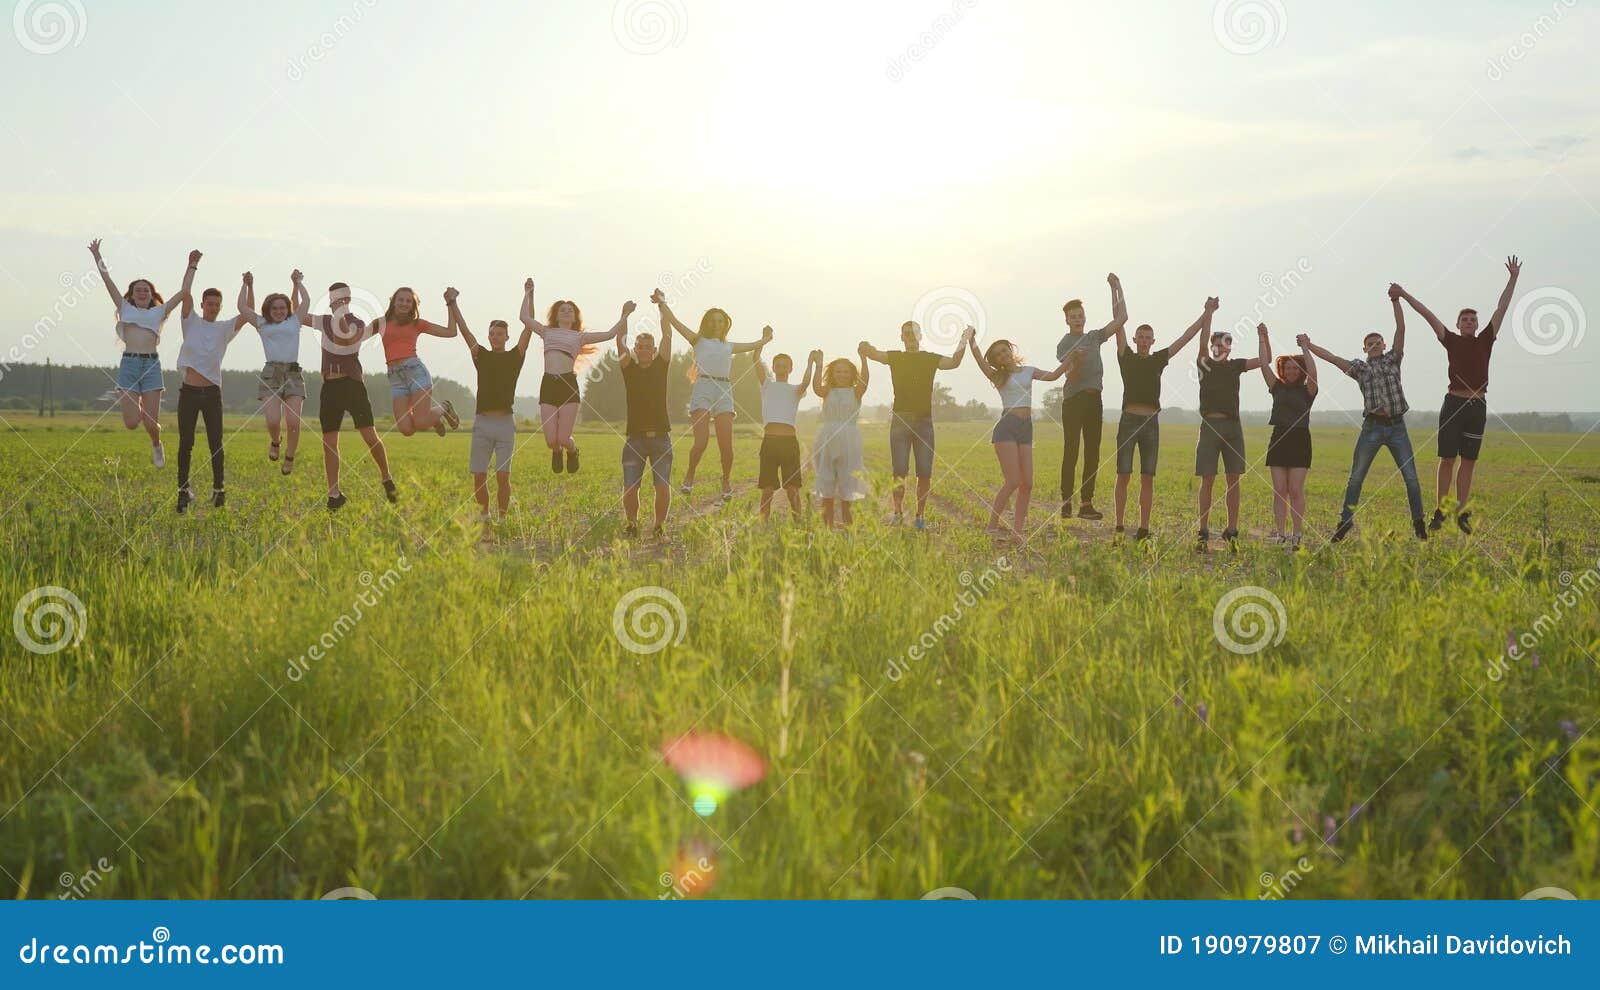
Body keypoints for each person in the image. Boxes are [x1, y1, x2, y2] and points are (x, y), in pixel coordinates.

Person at [1392, 256, 1521, 534]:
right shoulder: (1449, 339)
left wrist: (1513, 278)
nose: (1469, 322)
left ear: (1477, 324)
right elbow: (1427, 314)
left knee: (1469, 462)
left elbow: (1502, 307)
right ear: (1458, 323)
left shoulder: (1487, 338)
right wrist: (1403, 295)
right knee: (1447, 459)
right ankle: (1440, 510)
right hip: (1453, 404)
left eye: (1473, 319)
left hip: (1478, 406)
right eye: (1465, 319)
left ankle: (1462, 512)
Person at [1303, 287, 1426, 542]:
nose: (1374, 346)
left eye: (1377, 342)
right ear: (1364, 348)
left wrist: (1396, 300)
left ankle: (1419, 523)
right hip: (1372, 427)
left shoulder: (1393, 359)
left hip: (1397, 427)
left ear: (1384, 345)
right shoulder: (1360, 369)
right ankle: (1345, 522)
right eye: (1369, 344)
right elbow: (1334, 359)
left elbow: (1401, 330)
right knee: (1356, 477)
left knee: (1411, 477)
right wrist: (1308, 345)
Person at [1112, 298, 1217, 541]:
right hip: (1128, 421)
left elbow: (1186, 336)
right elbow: (1118, 324)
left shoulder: (1159, 359)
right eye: (1141, 337)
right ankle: (1118, 525)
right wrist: (1115, 289)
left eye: (1149, 338)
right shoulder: (1125, 355)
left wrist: (1207, 312)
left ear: (1153, 341)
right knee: (1123, 475)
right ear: (1135, 340)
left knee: (1147, 477)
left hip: (1151, 424)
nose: (1144, 341)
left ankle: (1143, 528)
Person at [656, 297, 773, 503]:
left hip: (724, 390)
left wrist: (765, 338)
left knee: (726, 446)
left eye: (720, 321)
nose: (717, 324)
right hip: (703, 388)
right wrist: (662, 302)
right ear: (707, 323)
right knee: (701, 442)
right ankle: (690, 475)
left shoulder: (729, 346)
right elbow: (674, 321)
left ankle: (726, 481)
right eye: (713, 320)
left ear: (725, 324)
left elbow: (754, 345)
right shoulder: (698, 340)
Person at [295, 278, 396, 510]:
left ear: (348, 300)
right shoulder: (325, 321)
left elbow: (347, 339)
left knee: (369, 436)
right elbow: (297, 315)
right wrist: (296, 286)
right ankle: (334, 494)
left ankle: (386, 477)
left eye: (342, 298)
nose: (337, 302)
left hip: (352, 385)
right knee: (329, 442)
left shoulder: (356, 323)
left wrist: (338, 314)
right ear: (329, 301)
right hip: (330, 387)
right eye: (333, 299)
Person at [88, 238, 190, 466]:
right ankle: (139, 407)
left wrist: (191, 265)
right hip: (129, 365)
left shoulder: (160, 312)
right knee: (132, 422)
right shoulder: (125, 308)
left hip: (152, 366)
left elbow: (184, 292)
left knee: (151, 424)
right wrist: (97, 256)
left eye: (146, 290)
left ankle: (156, 445)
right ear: (131, 295)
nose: (142, 292)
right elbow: (107, 281)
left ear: (152, 294)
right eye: (138, 290)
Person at [859, 321, 970, 529]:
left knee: (925, 472)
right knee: (899, 470)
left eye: (913, 333)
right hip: (900, 420)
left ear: (920, 336)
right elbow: (874, 354)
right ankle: (898, 513)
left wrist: (964, 339)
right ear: (901, 337)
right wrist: (865, 347)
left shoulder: (930, 358)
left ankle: (920, 517)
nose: (910, 337)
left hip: (924, 422)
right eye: (906, 333)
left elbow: (955, 362)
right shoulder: (895, 357)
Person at [519, 278, 632, 474]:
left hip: (567, 384)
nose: (566, 311)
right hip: (548, 384)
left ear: (574, 317)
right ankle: (556, 452)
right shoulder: (547, 332)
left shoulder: (580, 337)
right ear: (556, 315)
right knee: (551, 441)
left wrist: (625, 314)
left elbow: (610, 334)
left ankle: (572, 450)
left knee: (563, 439)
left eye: (570, 310)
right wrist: (528, 293)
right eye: (562, 309)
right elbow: (524, 318)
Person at [445, 287, 531, 535]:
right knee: (479, 477)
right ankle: (485, 517)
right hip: (482, 424)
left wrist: (528, 294)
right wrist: (453, 303)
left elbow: (528, 329)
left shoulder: (516, 356)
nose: (494, 337)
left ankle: (502, 520)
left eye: (499, 334)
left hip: (505, 424)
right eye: (491, 334)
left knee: (503, 477)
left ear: (506, 337)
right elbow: (464, 331)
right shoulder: (480, 355)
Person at [968, 334, 1071, 541]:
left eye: (1004, 350)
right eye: (997, 354)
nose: (1002, 355)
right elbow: (980, 360)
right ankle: (992, 526)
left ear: (1011, 350)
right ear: (995, 361)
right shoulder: (998, 377)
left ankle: (1017, 532)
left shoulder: (1028, 371)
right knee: (1013, 480)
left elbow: (1053, 376)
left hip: (1026, 428)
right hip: (1006, 427)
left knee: (1027, 483)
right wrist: (972, 342)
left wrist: (1071, 359)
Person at [172, 255, 250, 513]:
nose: (213, 307)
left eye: (217, 304)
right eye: (210, 304)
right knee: (186, 443)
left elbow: (247, 313)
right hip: (190, 392)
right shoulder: (190, 321)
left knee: (216, 442)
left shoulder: (225, 329)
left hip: (212, 393)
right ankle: (183, 491)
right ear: (203, 304)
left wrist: (248, 285)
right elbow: (185, 293)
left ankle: (219, 491)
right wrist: (192, 265)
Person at [1056, 273, 1128, 521]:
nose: (1077, 319)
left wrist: (1116, 288)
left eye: (1080, 316)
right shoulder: (1064, 344)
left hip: (1094, 400)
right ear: (1066, 320)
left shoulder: (1095, 337)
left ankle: (1086, 504)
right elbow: (1070, 377)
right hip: (1074, 401)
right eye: (1072, 317)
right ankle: (1066, 502)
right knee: (1072, 450)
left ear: (1084, 318)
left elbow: (1121, 319)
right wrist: (1075, 360)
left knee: (1093, 452)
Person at [1193, 319, 1262, 550]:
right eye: (1218, 344)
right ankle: (1203, 530)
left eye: (1226, 344)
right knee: (1208, 479)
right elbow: (1201, 341)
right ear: (1212, 346)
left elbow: (1265, 360)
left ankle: (1232, 531)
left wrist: (1263, 337)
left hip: (1233, 427)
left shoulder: (1235, 366)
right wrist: (1208, 313)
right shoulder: (1205, 364)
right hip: (1210, 425)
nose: (1221, 348)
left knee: (1233, 479)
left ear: (1230, 347)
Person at [617, 290, 677, 538]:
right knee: (631, 488)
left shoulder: (661, 366)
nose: (643, 350)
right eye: (639, 347)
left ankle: (659, 526)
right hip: (635, 440)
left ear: (653, 350)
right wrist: (624, 315)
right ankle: (632, 524)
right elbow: (619, 340)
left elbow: (668, 334)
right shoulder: (628, 368)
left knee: (661, 487)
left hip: (661, 438)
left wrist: (662, 305)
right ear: (635, 349)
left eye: (647, 347)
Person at [1257, 325, 1319, 549]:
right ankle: (1281, 534)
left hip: (1300, 440)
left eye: (1295, 368)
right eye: (1288, 368)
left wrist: (1305, 349)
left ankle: (1297, 535)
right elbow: (1264, 365)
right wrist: (1263, 338)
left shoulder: (1308, 390)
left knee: (1295, 490)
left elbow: (1313, 373)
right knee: (1279, 490)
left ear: (1300, 371)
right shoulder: (1277, 387)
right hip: (1279, 438)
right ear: (1283, 370)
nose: (1291, 371)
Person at [373, 286, 460, 438]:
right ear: (393, 302)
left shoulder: (417, 323)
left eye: (408, 301)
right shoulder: (381, 323)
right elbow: (355, 337)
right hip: (395, 379)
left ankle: (444, 408)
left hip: (416, 373)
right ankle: (433, 418)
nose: (404, 303)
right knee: (406, 430)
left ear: (413, 305)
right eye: (401, 300)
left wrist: (450, 304)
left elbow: (451, 332)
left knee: (420, 423)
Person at [246, 269, 309, 474]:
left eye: (283, 308)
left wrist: (297, 283)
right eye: (275, 308)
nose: (280, 311)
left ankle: (289, 457)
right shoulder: (262, 323)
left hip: (292, 373)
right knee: (273, 420)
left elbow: (306, 300)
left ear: (287, 309)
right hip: (271, 372)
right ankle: (275, 441)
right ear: (268, 309)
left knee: (292, 421)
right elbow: (243, 308)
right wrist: (248, 285)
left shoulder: (294, 321)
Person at [757, 346, 820, 521]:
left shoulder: (795, 390)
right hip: (769, 442)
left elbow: (806, 382)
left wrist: (810, 362)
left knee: (792, 489)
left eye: (786, 366)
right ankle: (763, 524)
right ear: (774, 367)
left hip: (789, 443)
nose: (782, 369)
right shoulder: (767, 385)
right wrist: (762, 342)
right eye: (779, 365)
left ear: (791, 369)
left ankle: (798, 522)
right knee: (767, 489)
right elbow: (756, 362)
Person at [812, 352, 871, 528]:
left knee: (848, 483)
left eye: (846, 372)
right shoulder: (826, 391)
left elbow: (865, 381)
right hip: (827, 438)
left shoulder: (856, 392)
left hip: (850, 440)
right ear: (832, 374)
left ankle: (848, 529)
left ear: (852, 375)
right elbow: (816, 387)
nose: (842, 374)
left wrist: (864, 358)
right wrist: (819, 364)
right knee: (826, 483)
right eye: (838, 371)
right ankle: (827, 528)